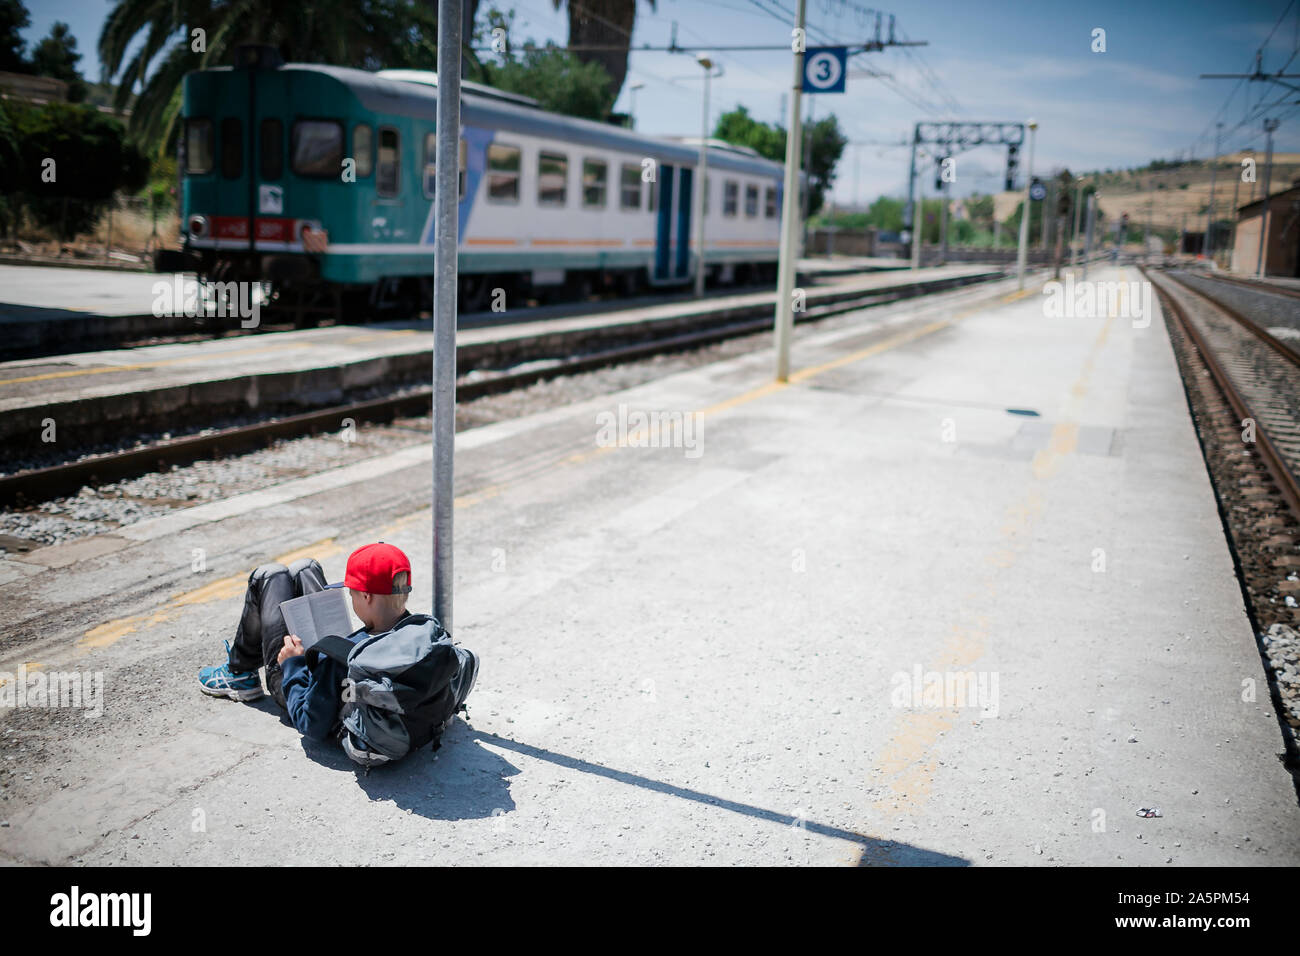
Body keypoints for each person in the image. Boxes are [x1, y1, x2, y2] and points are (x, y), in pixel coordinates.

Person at [198, 543, 477, 756]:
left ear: (366, 596)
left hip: (320, 675)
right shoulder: (421, 632)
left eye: (353, 593)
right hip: (352, 670)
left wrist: (292, 665)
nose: (352, 597)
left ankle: (239, 674)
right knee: (304, 567)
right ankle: (300, 578)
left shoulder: (337, 661)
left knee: (270, 576)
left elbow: (311, 725)